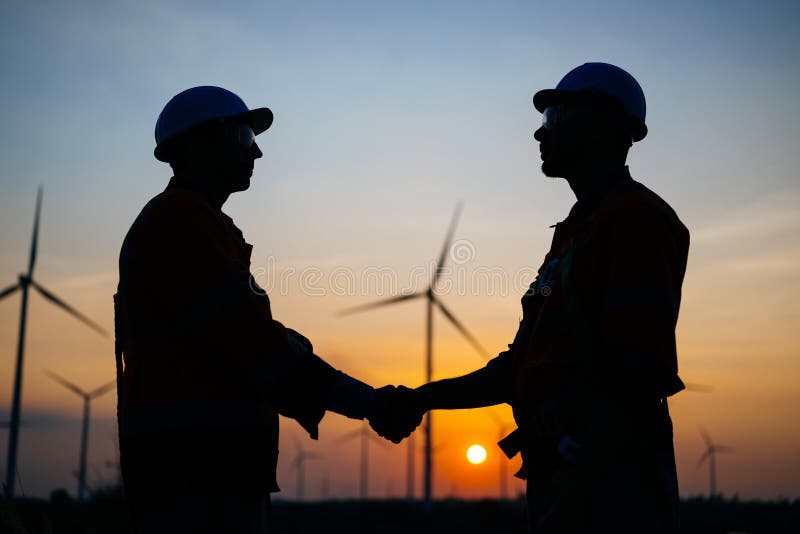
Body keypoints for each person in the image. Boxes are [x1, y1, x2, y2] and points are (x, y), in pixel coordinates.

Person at [372, 63, 689, 533]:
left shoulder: (635, 221)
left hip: (609, 487)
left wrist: (583, 490)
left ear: (600, 126)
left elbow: (636, 372)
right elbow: (523, 364)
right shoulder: (573, 235)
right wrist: (421, 398)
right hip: (565, 476)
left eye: (554, 120)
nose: (539, 136)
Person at [114, 86, 409, 533]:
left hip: (204, 469)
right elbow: (252, 343)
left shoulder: (200, 226)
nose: (258, 152)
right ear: (201, 144)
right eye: (245, 136)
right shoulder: (179, 225)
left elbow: (246, 335)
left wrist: (298, 352)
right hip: (195, 476)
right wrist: (366, 401)